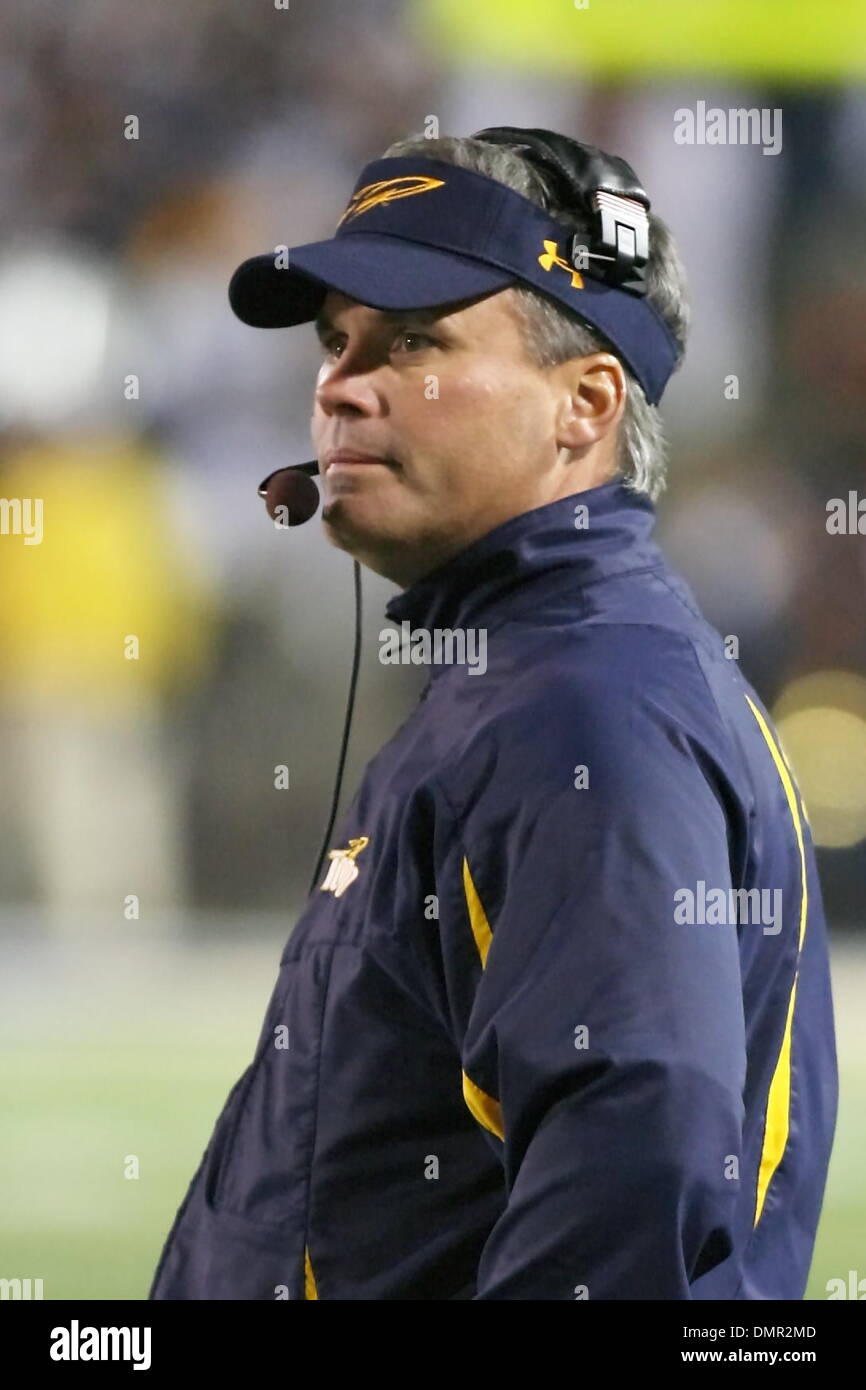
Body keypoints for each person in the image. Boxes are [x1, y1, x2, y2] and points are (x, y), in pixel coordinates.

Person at [149, 127, 838, 1300]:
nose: (338, 385)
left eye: (414, 341)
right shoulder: (529, 678)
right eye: (336, 342)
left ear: (583, 404)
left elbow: (632, 1154)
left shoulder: (585, 709)